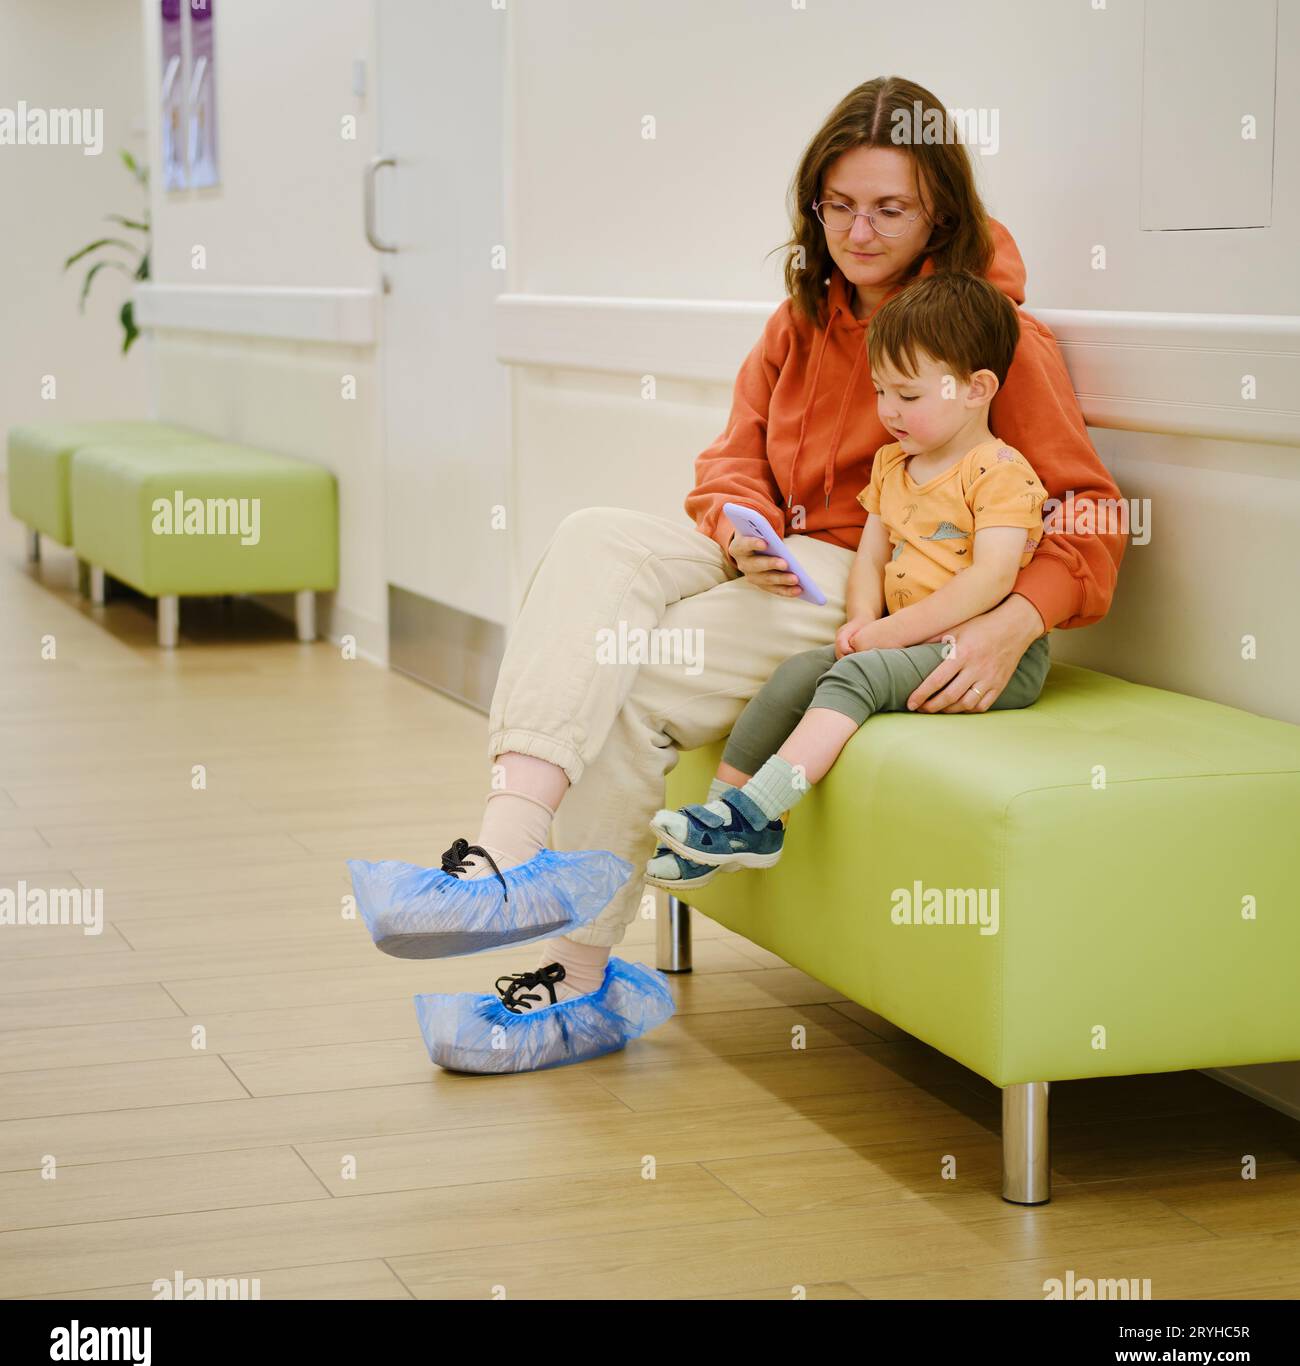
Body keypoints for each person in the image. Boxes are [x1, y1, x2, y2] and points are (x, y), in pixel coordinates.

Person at [388, 75, 1125, 1049]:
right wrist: (739, 524)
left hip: (869, 584)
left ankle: (574, 976)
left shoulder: (987, 334)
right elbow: (732, 455)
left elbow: (1087, 508)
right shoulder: (800, 319)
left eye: (887, 209)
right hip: (769, 553)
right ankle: (509, 834)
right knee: (591, 536)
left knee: (633, 681)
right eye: (837, 206)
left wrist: (1012, 619)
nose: (856, 233)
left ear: (939, 208)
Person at [646, 269, 1051, 885]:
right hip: (909, 638)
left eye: (908, 397)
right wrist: (863, 617)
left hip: (983, 653)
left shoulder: (998, 472)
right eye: (880, 392)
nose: (888, 411)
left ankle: (758, 816)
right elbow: (871, 557)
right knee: (796, 673)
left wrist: (892, 634)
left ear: (977, 388)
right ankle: (720, 817)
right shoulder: (894, 464)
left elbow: (992, 580)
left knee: (856, 673)